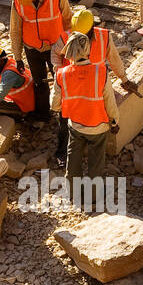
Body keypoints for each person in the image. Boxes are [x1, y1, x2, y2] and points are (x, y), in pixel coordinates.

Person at [51, 8, 138, 167]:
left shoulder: (104, 37)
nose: (79, 38)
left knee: (96, 115)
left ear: (92, 28)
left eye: (84, 34)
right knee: (64, 119)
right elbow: (55, 53)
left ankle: (91, 146)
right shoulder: (66, 37)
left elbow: (114, 59)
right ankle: (62, 152)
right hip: (73, 84)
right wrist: (58, 71)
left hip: (94, 86)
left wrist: (124, 79)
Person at [51, 32, 119, 189]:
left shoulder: (61, 74)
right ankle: (92, 198)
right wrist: (114, 121)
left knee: (73, 161)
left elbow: (55, 106)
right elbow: (110, 101)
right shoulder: (101, 72)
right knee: (96, 165)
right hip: (98, 127)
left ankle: (73, 194)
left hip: (75, 126)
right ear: (88, 50)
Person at [9, 0, 72, 122]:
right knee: (39, 83)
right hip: (32, 49)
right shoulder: (18, 0)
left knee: (61, 81)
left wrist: (67, 44)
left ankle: (66, 114)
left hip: (55, 48)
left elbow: (68, 20)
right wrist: (18, 57)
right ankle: (43, 114)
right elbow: (15, 30)